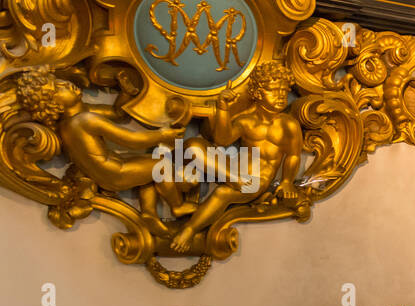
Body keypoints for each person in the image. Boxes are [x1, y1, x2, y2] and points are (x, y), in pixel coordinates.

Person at [15, 66, 182, 226]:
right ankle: (177, 206)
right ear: (55, 105)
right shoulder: (84, 120)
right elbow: (130, 139)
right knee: (162, 167)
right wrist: (162, 135)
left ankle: (149, 213)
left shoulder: (75, 119)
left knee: (147, 174)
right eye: (58, 87)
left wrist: (125, 93)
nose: (65, 83)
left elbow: (116, 114)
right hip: (115, 171)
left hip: (107, 173)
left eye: (60, 81)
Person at [169, 62, 304, 254]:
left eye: (284, 90)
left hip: (257, 181)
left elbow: (293, 155)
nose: (281, 95)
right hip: (234, 171)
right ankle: (234, 179)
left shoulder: (288, 125)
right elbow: (222, 140)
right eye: (274, 90)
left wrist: (287, 181)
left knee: (222, 194)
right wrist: (223, 108)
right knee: (193, 146)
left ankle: (189, 229)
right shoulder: (246, 120)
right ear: (257, 93)